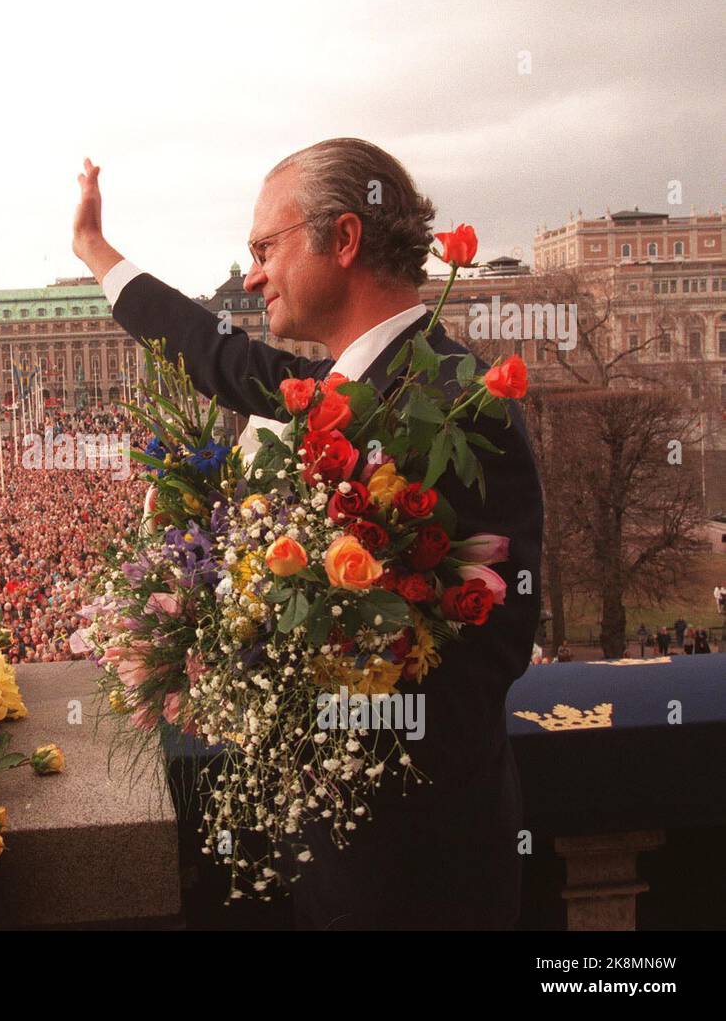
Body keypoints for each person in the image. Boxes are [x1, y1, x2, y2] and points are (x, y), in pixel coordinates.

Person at [72, 138, 544, 930]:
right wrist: (95, 250)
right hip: (341, 857)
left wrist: (274, 667)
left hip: (419, 877)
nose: (251, 274)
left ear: (346, 239)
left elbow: (492, 651)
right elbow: (209, 354)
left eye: (263, 248)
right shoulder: (336, 383)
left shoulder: (460, 400)